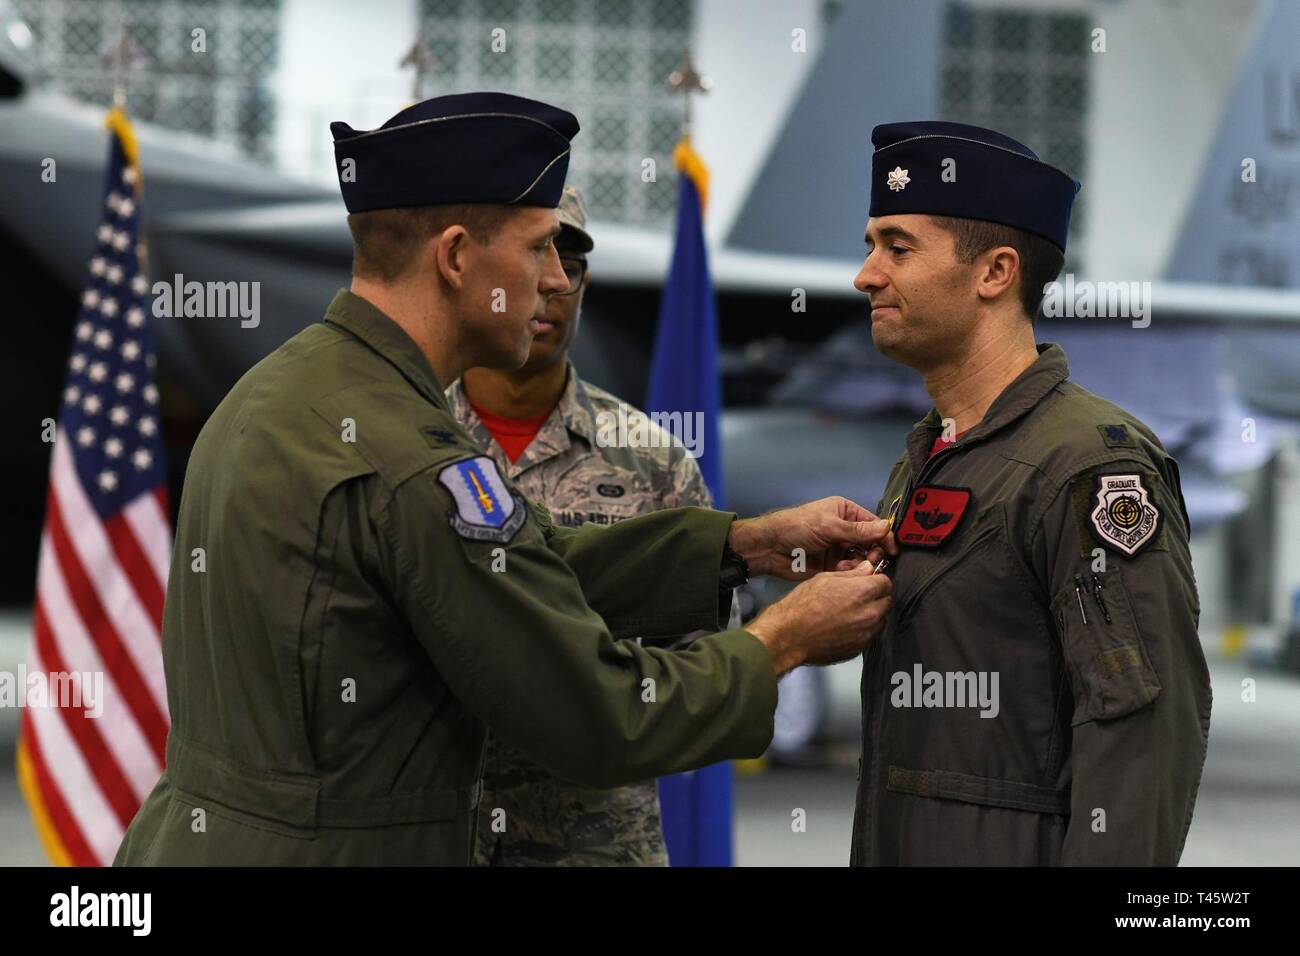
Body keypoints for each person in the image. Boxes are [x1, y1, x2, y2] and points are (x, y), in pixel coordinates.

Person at [113, 92, 895, 866]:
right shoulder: (415, 464)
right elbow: (600, 715)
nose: (557, 279)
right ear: (457, 258)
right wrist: (784, 639)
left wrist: (744, 546)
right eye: (537, 248)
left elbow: (522, 566)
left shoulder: (280, 391)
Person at [849, 120, 1211, 866]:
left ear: (995, 272)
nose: (866, 275)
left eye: (898, 247)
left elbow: (1142, 729)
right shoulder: (930, 457)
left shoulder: (1089, 468)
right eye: (870, 246)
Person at [449, 184, 717, 866]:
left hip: (597, 845)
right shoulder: (408, 435)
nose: (550, 282)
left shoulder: (654, 462)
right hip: (434, 835)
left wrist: (589, 688)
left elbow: (705, 668)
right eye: (529, 253)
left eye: (567, 262)